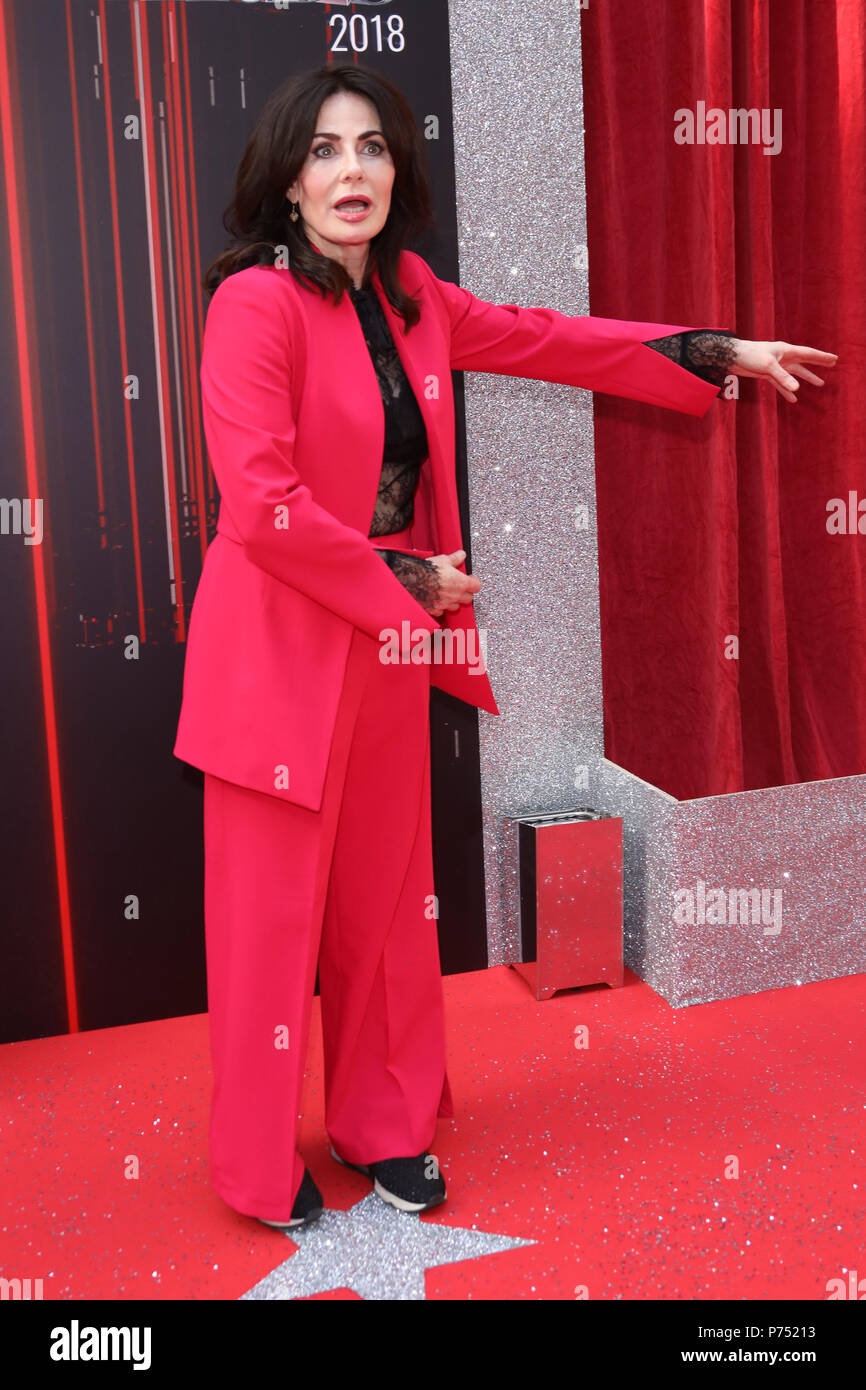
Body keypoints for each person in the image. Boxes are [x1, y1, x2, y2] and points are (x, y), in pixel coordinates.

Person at [173, 63, 837, 1231]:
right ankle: (252, 1163)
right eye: (323, 151)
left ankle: (384, 1126)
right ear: (285, 181)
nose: (350, 171)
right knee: (266, 925)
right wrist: (401, 579)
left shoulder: (413, 296)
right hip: (279, 647)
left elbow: (544, 338)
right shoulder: (252, 306)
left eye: (371, 147)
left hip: (387, 643)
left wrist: (705, 350)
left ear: (397, 171)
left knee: (385, 908)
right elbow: (260, 504)